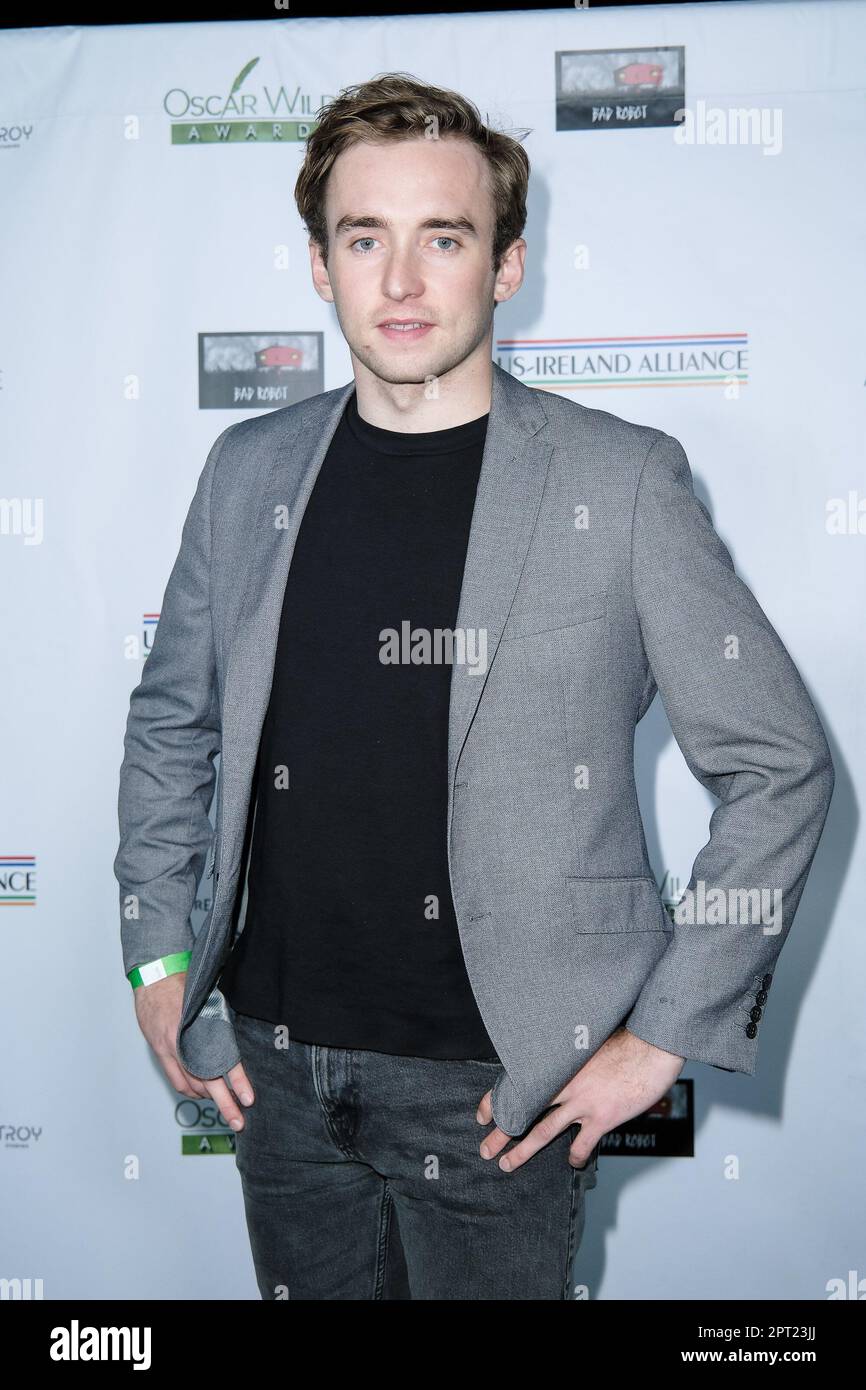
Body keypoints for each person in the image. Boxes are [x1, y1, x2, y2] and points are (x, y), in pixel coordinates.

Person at [114, 72, 834, 1300]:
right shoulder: (247, 473)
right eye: (364, 238)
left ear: (503, 265)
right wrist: (152, 960)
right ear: (318, 263)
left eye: (441, 238)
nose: (400, 282)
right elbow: (170, 727)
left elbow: (780, 767)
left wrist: (660, 1032)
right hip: (274, 1077)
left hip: (497, 1094)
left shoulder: (623, 482)